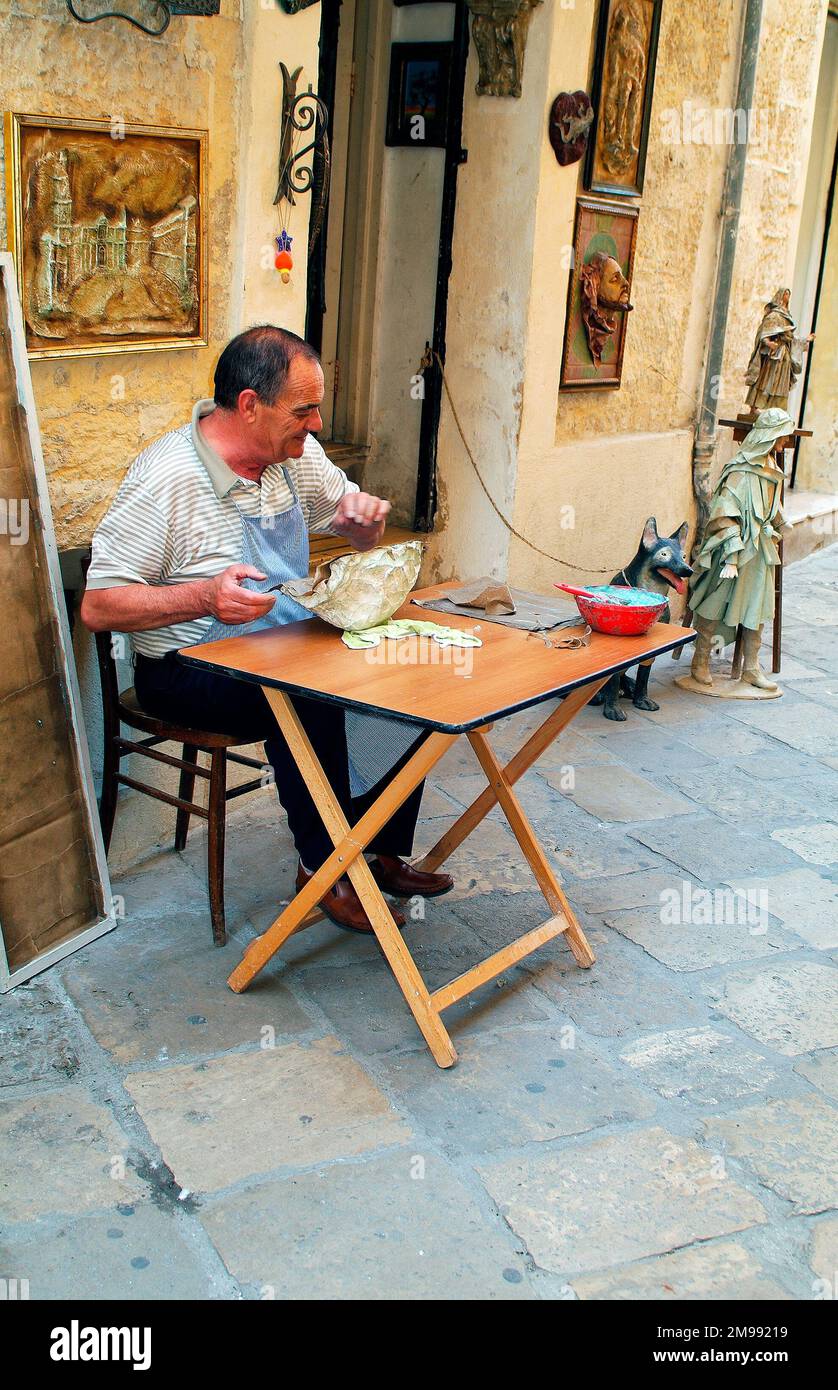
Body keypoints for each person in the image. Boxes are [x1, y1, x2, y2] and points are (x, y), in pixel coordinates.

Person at [81, 325, 453, 932]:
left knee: (394, 665)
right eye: (302, 410)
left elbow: (353, 522)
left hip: (282, 643)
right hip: (184, 665)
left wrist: (363, 523)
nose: (313, 425)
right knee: (310, 695)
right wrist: (204, 596)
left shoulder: (292, 458)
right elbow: (98, 607)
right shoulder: (166, 477)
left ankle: (381, 851)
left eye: (317, 409)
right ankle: (325, 871)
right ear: (250, 405)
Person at [688, 407, 794, 692]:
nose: (785, 443)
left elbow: (771, 507)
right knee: (715, 602)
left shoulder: (770, 469)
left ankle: (750, 668)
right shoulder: (739, 471)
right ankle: (700, 661)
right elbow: (724, 513)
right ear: (769, 437)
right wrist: (732, 556)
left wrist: (782, 522)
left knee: (757, 609)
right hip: (731, 553)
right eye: (782, 437)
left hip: (760, 551)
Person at [744, 287, 813, 415]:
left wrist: (804, 341)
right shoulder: (774, 315)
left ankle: (776, 410)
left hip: (784, 354)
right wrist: (768, 343)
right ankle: (754, 407)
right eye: (786, 294)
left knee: (781, 383)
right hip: (773, 355)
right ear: (781, 296)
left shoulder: (788, 315)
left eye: (789, 294)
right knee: (765, 380)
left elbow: (791, 336)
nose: (788, 296)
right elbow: (764, 332)